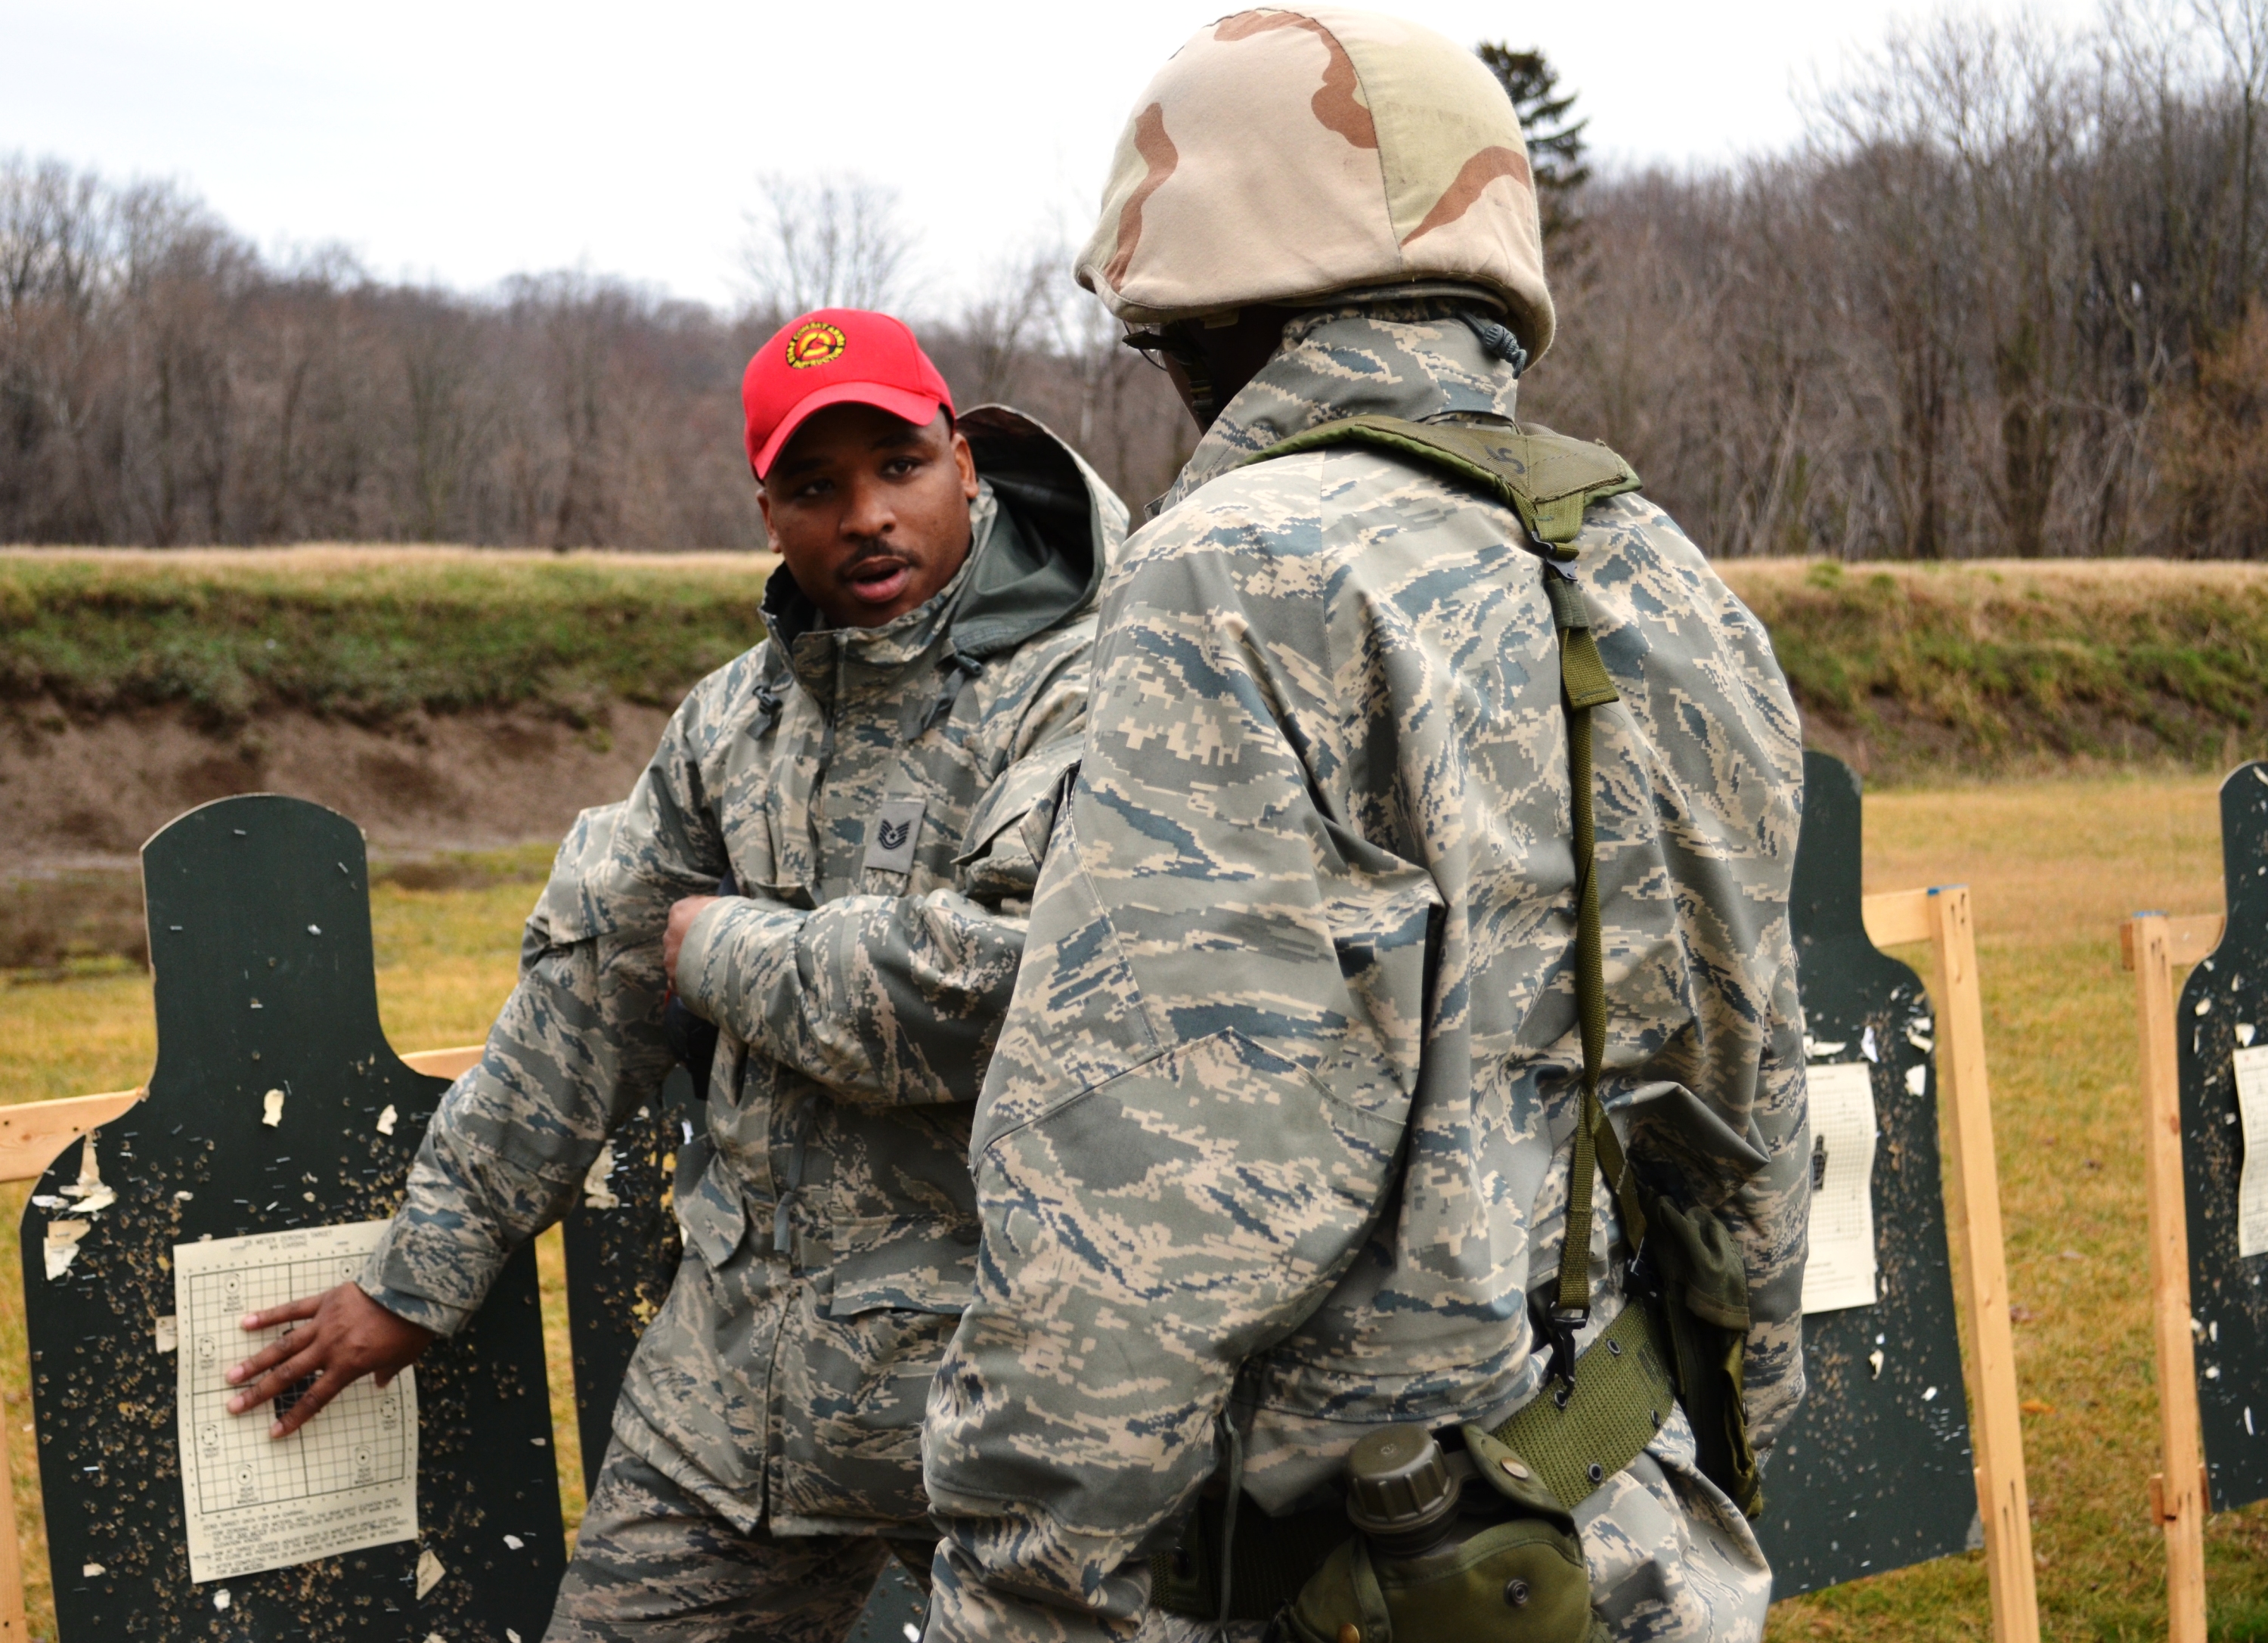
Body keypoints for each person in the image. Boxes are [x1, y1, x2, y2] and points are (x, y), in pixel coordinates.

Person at [919, 11, 1810, 1642]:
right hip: (1633, 1537)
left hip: (1337, 1583)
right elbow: (1749, 1109)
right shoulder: (1672, 578)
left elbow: (1136, 1228)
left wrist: (1024, 1588)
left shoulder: (1239, 577)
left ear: (1200, 310)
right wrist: (1719, 1458)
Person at [220, 307, 1126, 1642]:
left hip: (1021, 1406)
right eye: (815, 487)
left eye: (899, 466)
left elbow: (999, 993)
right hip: (739, 1410)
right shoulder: (730, 728)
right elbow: (576, 1013)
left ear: (967, 461)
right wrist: (417, 1278)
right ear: (768, 513)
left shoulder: (1102, 683)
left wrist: (720, 950)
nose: (865, 516)